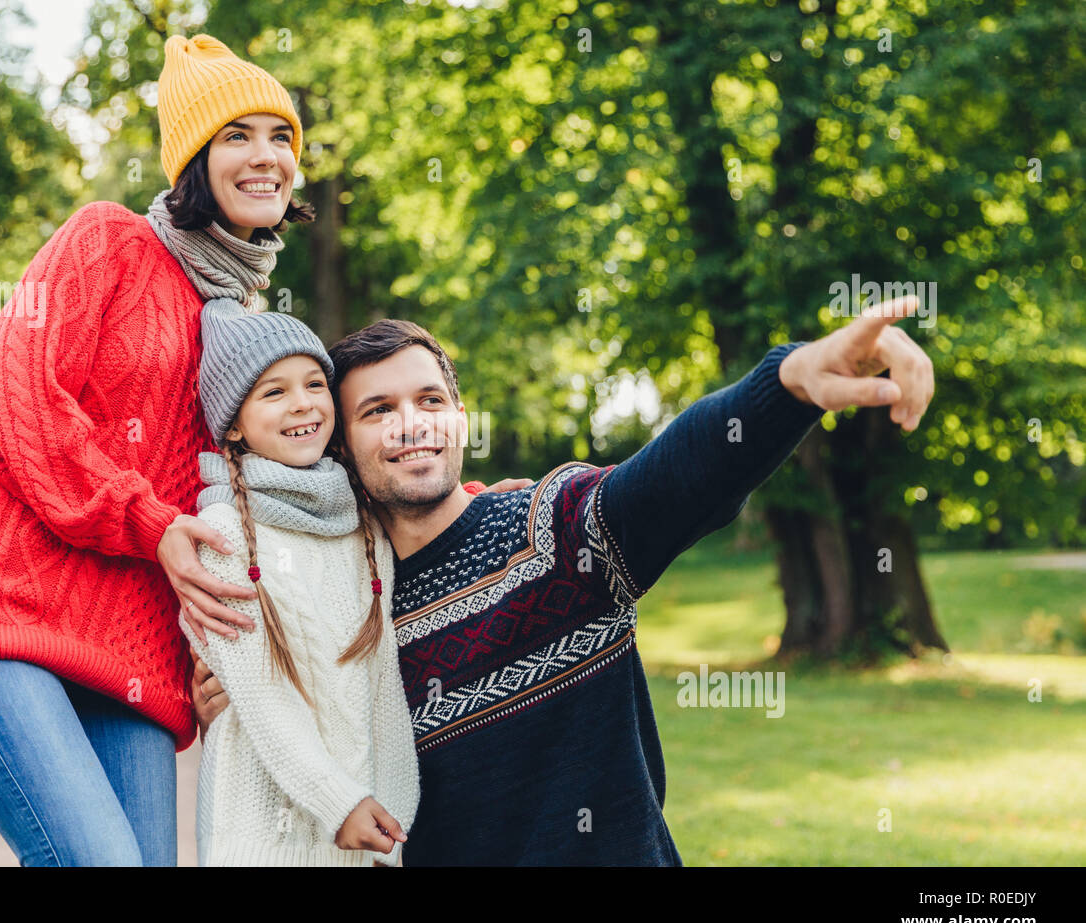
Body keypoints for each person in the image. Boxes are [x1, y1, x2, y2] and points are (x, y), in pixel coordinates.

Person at [192, 296, 935, 864]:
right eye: (377, 410)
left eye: (430, 401)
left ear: (458, 417)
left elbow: (679, 474)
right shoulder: (350, 602)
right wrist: (227, 692)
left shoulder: (556, 530)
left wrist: (789, 383)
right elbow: (281, 726)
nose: (410, 424)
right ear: (343, 447)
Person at [0, 33, 311, 866]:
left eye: (281, 137)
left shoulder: (244, 329)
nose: (266, 157)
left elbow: (287, 482)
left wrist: (471, 503)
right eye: (237, 135)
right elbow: (16, 406)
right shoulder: (107, 242)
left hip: (133, 650)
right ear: (192, 158)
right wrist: (149, 524)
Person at [179, 298, 419, 866]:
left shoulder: (363, 527)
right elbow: (262, 701)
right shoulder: (220, 536)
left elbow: (383, 684)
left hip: (362, 834)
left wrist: (395, 812)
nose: (303, 404)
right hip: (263, 833)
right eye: (274, 392)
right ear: (233, 425)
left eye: (314, 384)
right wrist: (340, 803)